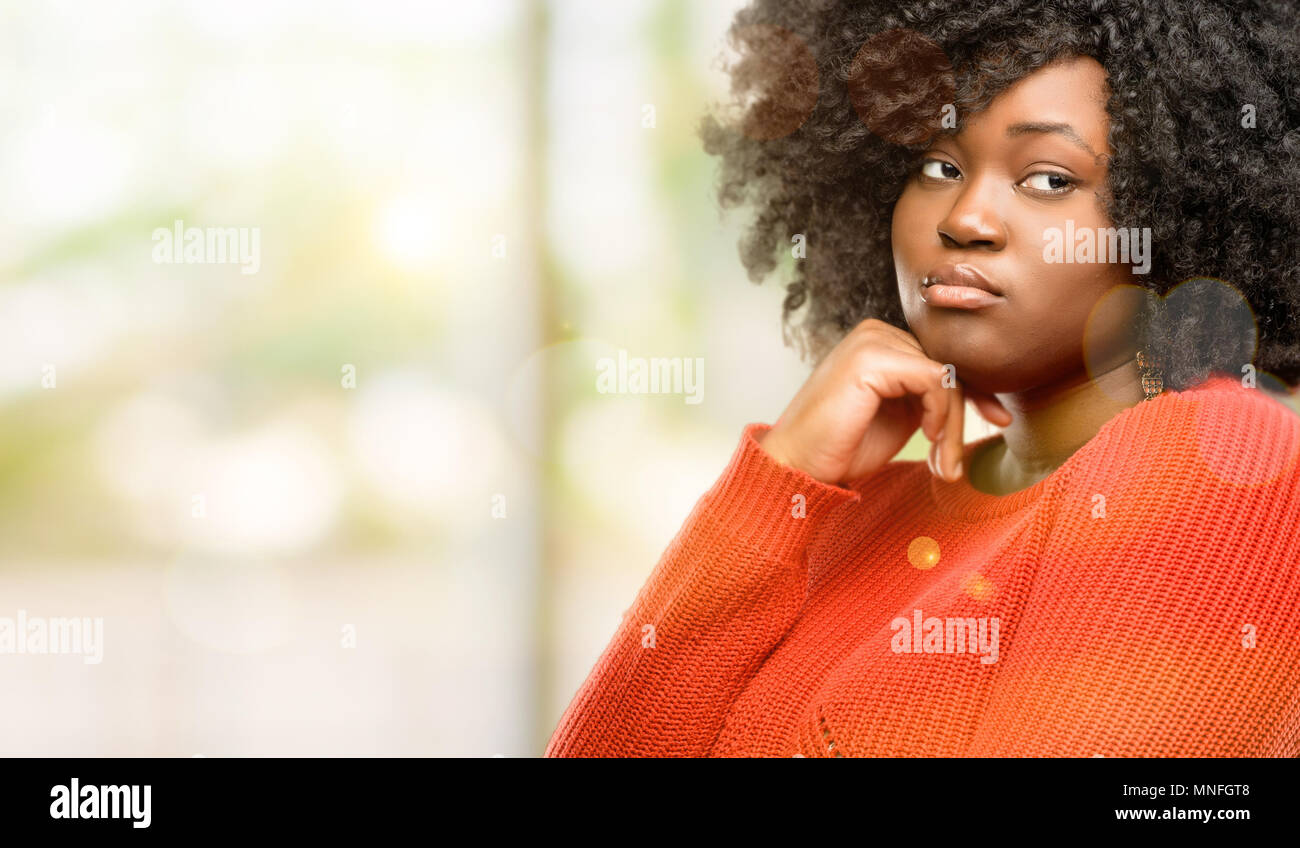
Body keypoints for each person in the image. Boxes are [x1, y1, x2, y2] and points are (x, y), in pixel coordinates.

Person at [545, 0, 1300, 757]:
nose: (966, 218)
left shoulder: (1227, 457)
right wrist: (783, 480)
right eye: (938, 167)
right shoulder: (856, 510)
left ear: (1170, 213)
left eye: (1047, 179)